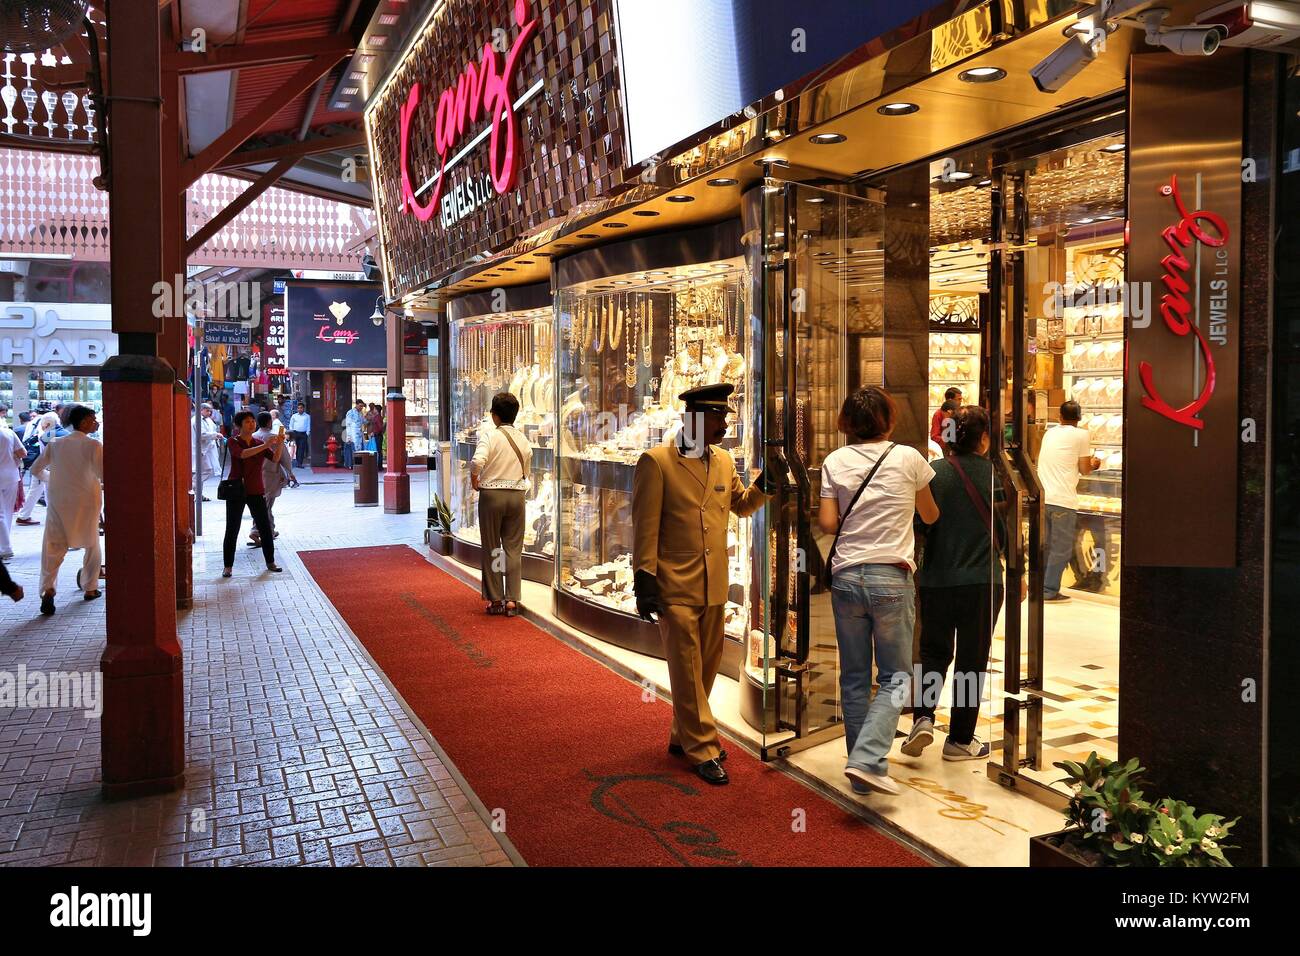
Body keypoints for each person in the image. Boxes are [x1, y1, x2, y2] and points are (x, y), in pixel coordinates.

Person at [632, 383, 770, 786]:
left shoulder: (725, 461)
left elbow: (741, 506)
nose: (724, 425)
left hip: (714, 585)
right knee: (687, 669)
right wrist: (644, 579)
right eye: (717, 418)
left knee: (705, 669)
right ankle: (703, 747)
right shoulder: (656, 462)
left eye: (725, 417)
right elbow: (645, 526)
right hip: (673, 584)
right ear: (692, 419)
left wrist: (766, 485)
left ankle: (682, 734)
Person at [818, 385, 939, 796]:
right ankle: (868, 760)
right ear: (889, 418)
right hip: (891, 577)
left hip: (847, 578)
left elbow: (829, 523)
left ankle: (861, 767)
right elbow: (930, 513)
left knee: (853, 676)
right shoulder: (909, 457)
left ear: (847, 422)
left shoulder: (834, 461)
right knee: (897, 677)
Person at [906, 405, 1005, 762]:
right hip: (980, 580)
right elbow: (1004, 530)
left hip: (935, 579)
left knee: (933, 653)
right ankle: (960, 739)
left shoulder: (934, 472)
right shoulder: (995, 474)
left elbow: (920, 523)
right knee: (970, 660)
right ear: (983, 438)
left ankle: (923, 718)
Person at [32, 405, 104, 616]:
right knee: (92, 544)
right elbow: (103, 474)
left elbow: (36, 469)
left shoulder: (55, 444)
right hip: (86, 501)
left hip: (58, 500)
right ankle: (90, 588)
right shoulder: (93, 445)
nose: (96, 422)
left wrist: (52, 480)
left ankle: (48, 588)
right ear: (82, 422)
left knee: (53, 545)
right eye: (93, 419)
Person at [470, 392, 532, 616]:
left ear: (494, 416)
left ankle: (496, 599)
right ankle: (512, 599)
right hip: (516, 496)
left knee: (493, 548)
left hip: (492, 496)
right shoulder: (523, 438)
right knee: (513, 548)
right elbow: (527, 467)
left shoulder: (490, 436)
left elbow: (477, 461)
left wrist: (475, 479)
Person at [1039, 400, 1100, 603]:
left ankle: (1040, 587)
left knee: (1047, 545)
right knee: (1062, 547)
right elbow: (1084, 469)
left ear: (1060, 417)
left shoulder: (1049, 433)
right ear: (1079, 418)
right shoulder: (1082, 434)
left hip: (1044, 497)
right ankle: (1049, 590)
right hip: (1063, 500)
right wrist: (1094, 464)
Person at [220, 410, 285, 577]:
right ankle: (228, 566)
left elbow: (275, 459)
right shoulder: (233, 441)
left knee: (265, 527)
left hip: (256, 489)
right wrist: (265, 445)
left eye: (253, 421)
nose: (251, 424)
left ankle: (270, 562)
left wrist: (279, 444)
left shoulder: (257, 441)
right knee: (232, 528)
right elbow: (242, 454)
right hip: (236, 489)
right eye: (247, 421)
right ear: (239, 425)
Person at [249, 412, 296, 547]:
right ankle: (257, 530)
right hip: (270, 473)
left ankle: (269, 530)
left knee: (262, 503)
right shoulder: (274, 438)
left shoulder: (253, 437)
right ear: (270, 422)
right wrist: (290, 472)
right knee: (266, 504)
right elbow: (284, 457)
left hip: (255, 474)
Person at [0, 416, 23, 561]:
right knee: (7, 512)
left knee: (0, 513)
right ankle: (4, 544)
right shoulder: (8, 432)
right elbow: (23, 453)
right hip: (11, 475)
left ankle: (6, 547)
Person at [194, 403, 223, 503]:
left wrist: (216, 435)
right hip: (201, 449)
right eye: (207, 410)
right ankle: (193, 486)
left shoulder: (208, 420)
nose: (209, 412)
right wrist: (215, 435)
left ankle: (198, 494)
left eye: (210, 411)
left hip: (207, 449)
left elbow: (213, 429)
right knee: (206, 470)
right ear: (201, 410)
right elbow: (202, 434)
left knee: (203, 470)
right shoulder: (196, 420)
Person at [342, 400, 365, 470]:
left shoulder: (361, 413)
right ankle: (351, 464)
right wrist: (348, 436)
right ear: (356, 405)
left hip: (359, 434)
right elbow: (348, 424)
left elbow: (363, 421)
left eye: (362, 406)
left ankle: (358, 465)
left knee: (359, 450)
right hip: (352, 433)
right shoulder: (350, 412)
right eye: (360, 406)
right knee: (353, 450)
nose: (361, 408)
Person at [289, 404, 311, 469]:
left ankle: (299, 463)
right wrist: (292, 433)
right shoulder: (294, 416)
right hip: (295, 433)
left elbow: (308, 426)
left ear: (303, 408)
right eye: (298, 408)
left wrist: (307, 433)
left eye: (301, 408)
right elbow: (291, 425)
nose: (299, 409)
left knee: (301, 449)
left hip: (303, 434)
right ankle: (293, 463)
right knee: (294, 448)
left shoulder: (307, 416)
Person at [370, 403, 386, 471]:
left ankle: (379, 466)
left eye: (374, 409)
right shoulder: (378, 417)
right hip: (378, 435)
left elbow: (380, 427)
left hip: (378, 436)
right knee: (378, 450)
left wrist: (374, 432)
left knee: (378, 451)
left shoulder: (378, 417)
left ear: (376, 410)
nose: (373, 410)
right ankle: (379, 465)